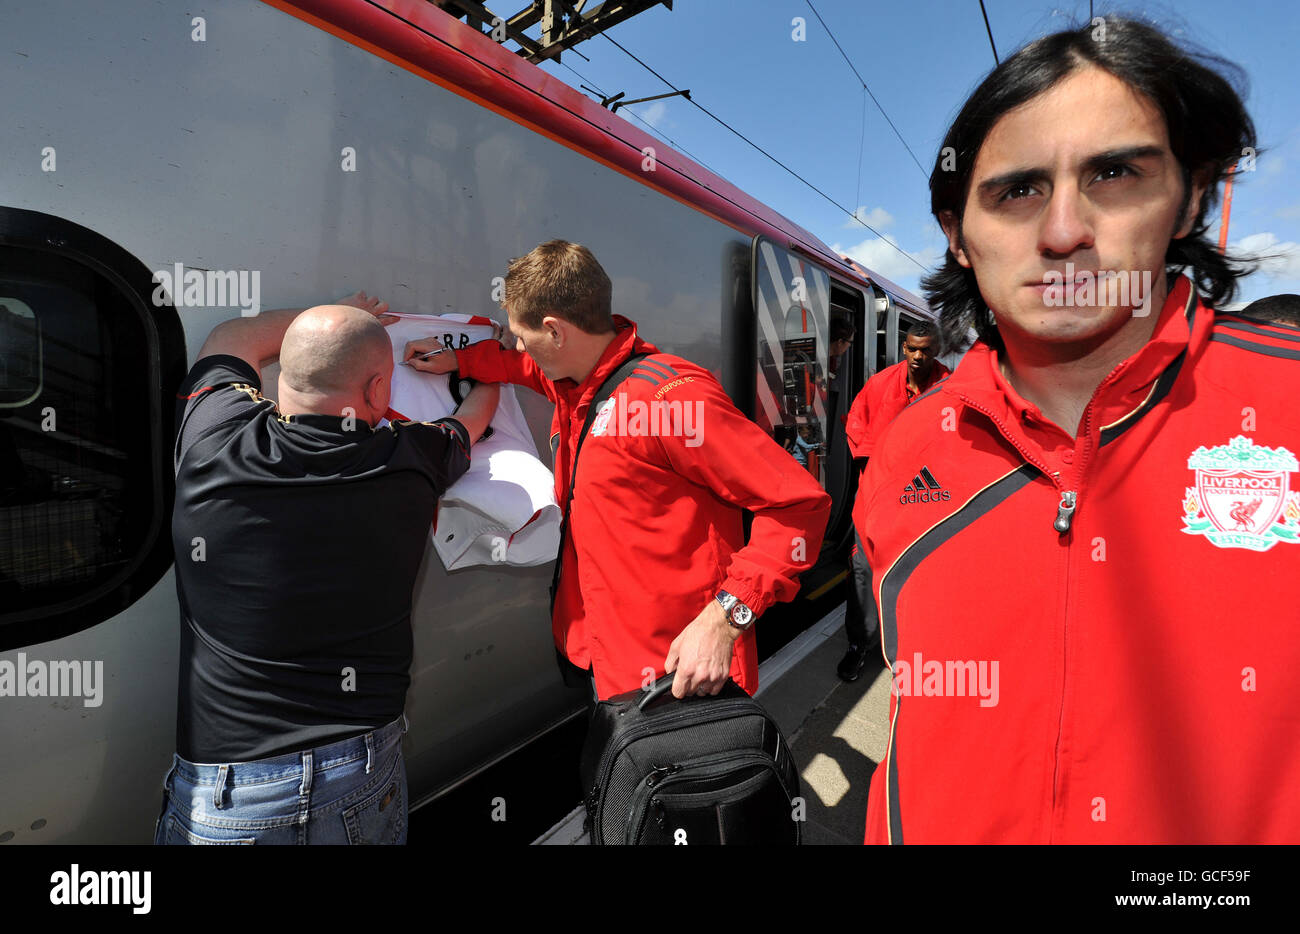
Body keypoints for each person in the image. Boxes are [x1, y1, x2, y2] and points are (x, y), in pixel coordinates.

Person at [856, 16, 1300, 844]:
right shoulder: (905, 455)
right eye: (1017, 190)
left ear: (1189, 198)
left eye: (1115, 174)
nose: (1063, 232)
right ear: (959, 236)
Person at [405, 241, 832, 700]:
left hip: (678, 674)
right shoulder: (577, 382)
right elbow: (524, 368)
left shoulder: (671, 398)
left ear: (555, 331)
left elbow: (798, 504)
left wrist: (726, 619)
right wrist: (462, 361)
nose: (519, 344)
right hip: (603, 658)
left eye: (520, 333)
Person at [157, 292, 499, 845]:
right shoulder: (414, 459)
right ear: (377, 391)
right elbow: (472, 422)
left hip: (230, 795)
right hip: (360, 773)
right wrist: (488, 368)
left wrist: (335, 314)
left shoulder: (212, 442)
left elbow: (231, 337)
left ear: (283, 372)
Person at [837, 322, 950, 681]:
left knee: (920, 570)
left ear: (937, 350)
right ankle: (859, 645)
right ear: (904, 348)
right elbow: (856, 423)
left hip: (927, 495)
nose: (919, 357)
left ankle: (911, 646)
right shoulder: (880, 384)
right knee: (863, 569)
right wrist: (873, 463)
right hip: (876, 492)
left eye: (927, 350)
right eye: (913, 349)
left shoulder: (952, 389)